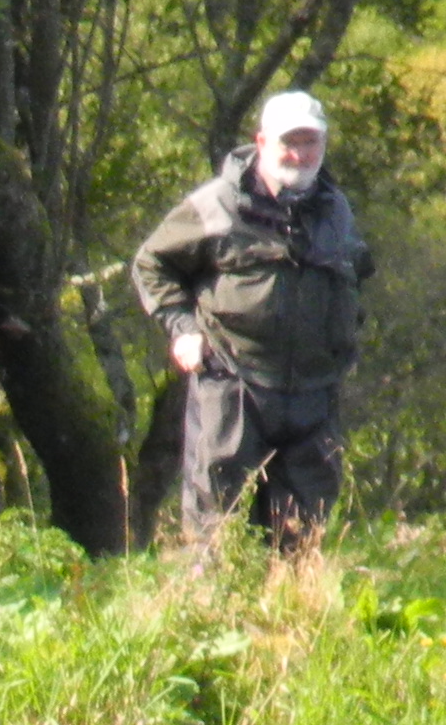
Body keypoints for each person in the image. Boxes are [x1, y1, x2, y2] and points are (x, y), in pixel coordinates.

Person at [134, 88, 375, 548]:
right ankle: (206, 616)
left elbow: (355, 275)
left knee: (305, 535)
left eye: (311, 143)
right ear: (261, 141)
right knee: (215, 529)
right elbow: (151, 263)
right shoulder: (216, 205)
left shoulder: (336, 209)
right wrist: (183, 330)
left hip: (314, 395)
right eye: (290, 141)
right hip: (233, 384)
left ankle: (290, 615)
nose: (301, 154)